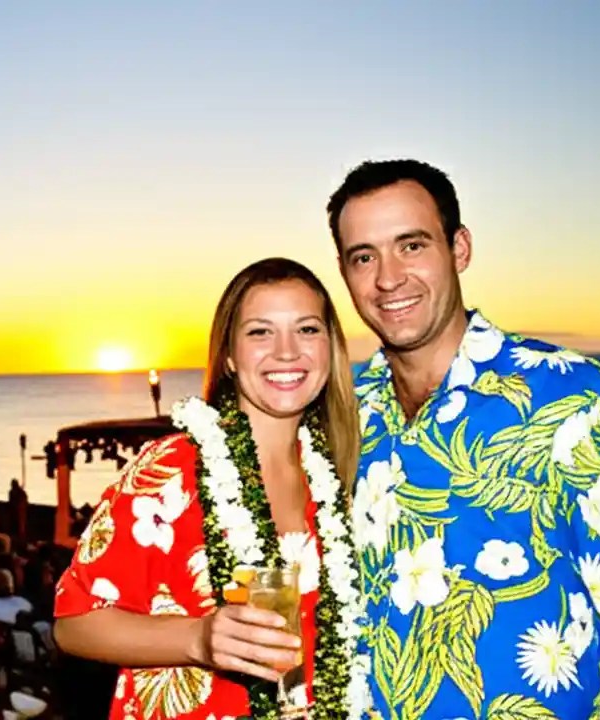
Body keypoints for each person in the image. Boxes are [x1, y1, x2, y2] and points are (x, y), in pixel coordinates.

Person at [326, 159, 600, 719]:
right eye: (364, 256)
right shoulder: (342, 416)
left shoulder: (579, 400)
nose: (387, 277)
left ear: (460, 249)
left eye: (412, 246)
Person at [53, 258, 366, 719]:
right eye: (260, 332)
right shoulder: (172, 468)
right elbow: (73, 625)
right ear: (230, 356)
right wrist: (198, 640)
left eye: (307, 329)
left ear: (330, 349)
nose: (286, 351)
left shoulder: (332, 474)